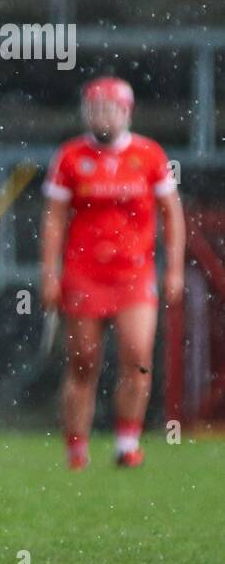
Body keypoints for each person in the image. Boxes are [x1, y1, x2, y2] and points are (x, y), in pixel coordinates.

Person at [41, 76, 184, 469]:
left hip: (134, 275)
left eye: (110, 108)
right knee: (83, 362)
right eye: (95, 108)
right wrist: (49, 273)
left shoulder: (150, 154)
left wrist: (173, 269)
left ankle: (127, 443)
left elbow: (172, 214)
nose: (102, 116)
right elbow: (53, 219)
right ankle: (76, 449)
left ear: (126, 112)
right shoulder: (70, 157)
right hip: (83, 273)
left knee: (138, 357)